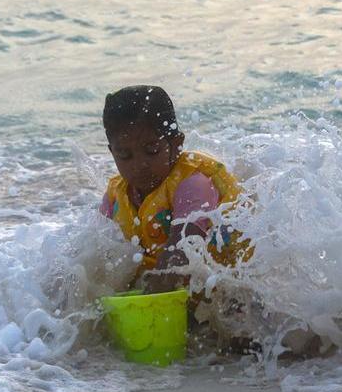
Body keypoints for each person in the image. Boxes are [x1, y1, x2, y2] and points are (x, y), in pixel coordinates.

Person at [99, 86, 252, 293]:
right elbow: (96, 256)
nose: (139, 164)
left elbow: (183, 246)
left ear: (176, 144)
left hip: (225, 285)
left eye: (152, 150)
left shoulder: (192, 183)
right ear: (112, 152)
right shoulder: (115, 196)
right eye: (125, 155)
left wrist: (152, 297)